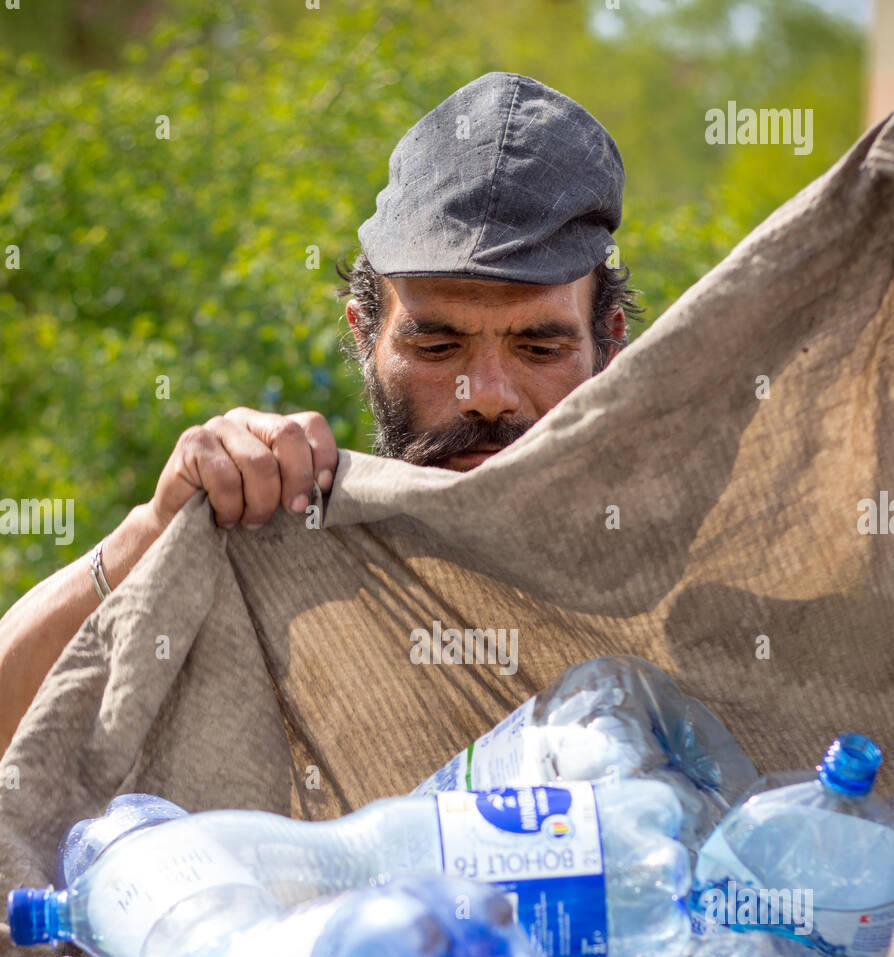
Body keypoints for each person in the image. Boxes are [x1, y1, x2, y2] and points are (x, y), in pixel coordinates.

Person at [0, 71, 638, 755]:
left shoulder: (675, 565)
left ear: (609, 344)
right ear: (365, 336)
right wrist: (153, 534)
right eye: (437, 343)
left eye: (539, 346)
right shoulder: (280, 558)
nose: (485, 393)